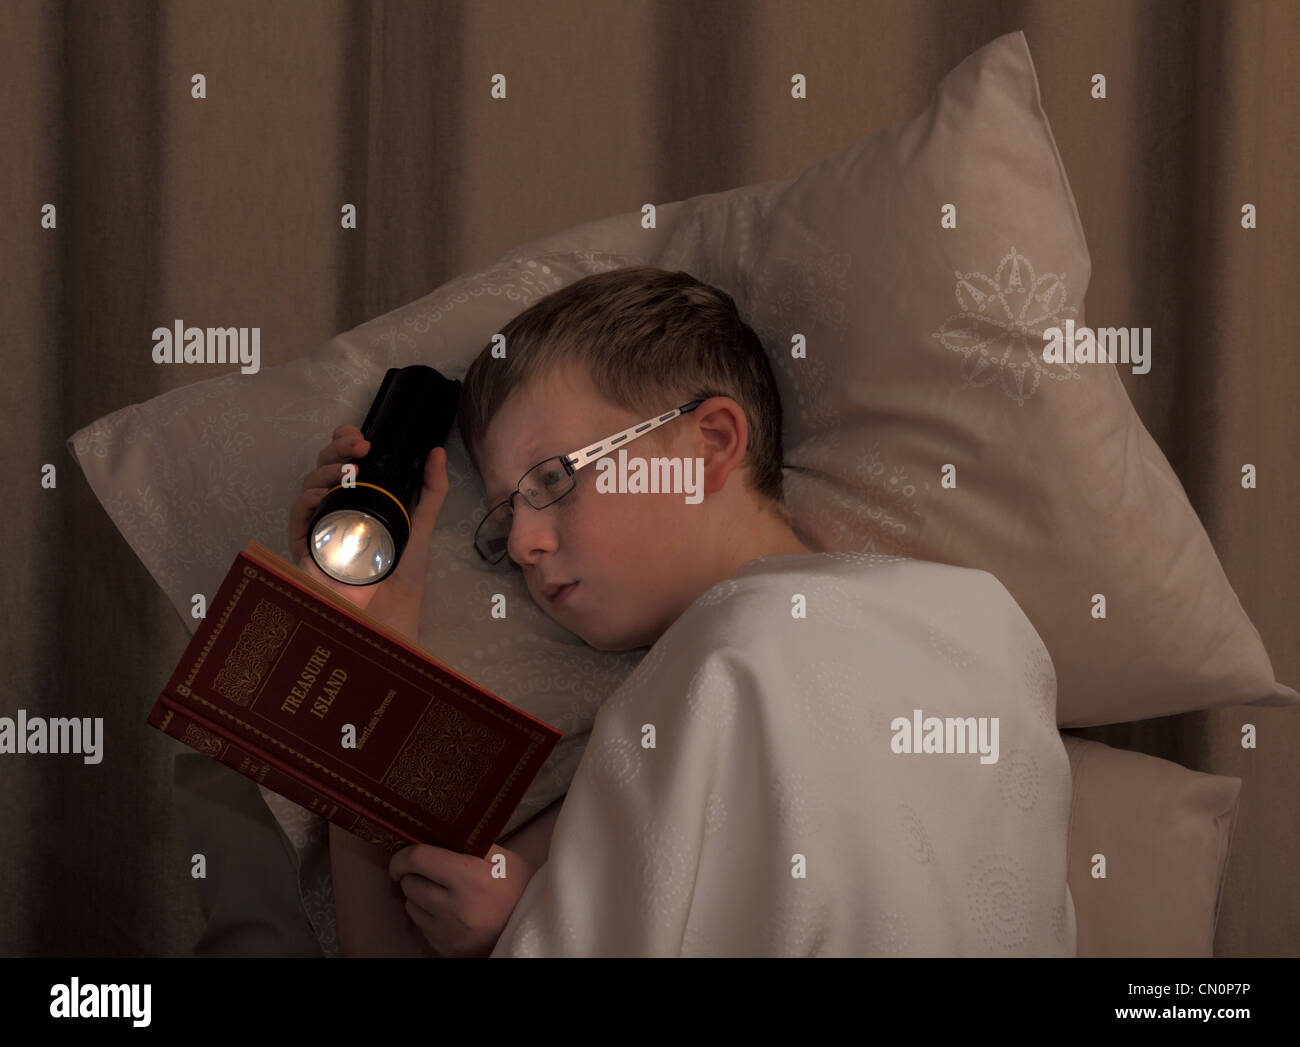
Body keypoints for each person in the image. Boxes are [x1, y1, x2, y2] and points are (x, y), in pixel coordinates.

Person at [289, 267, 1075, 957]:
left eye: (556, 479)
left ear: (710, 443)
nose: (525, 542)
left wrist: (527, 913)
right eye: (501, 523)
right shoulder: (654, 715)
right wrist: (369, 637)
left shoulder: (965, 629)